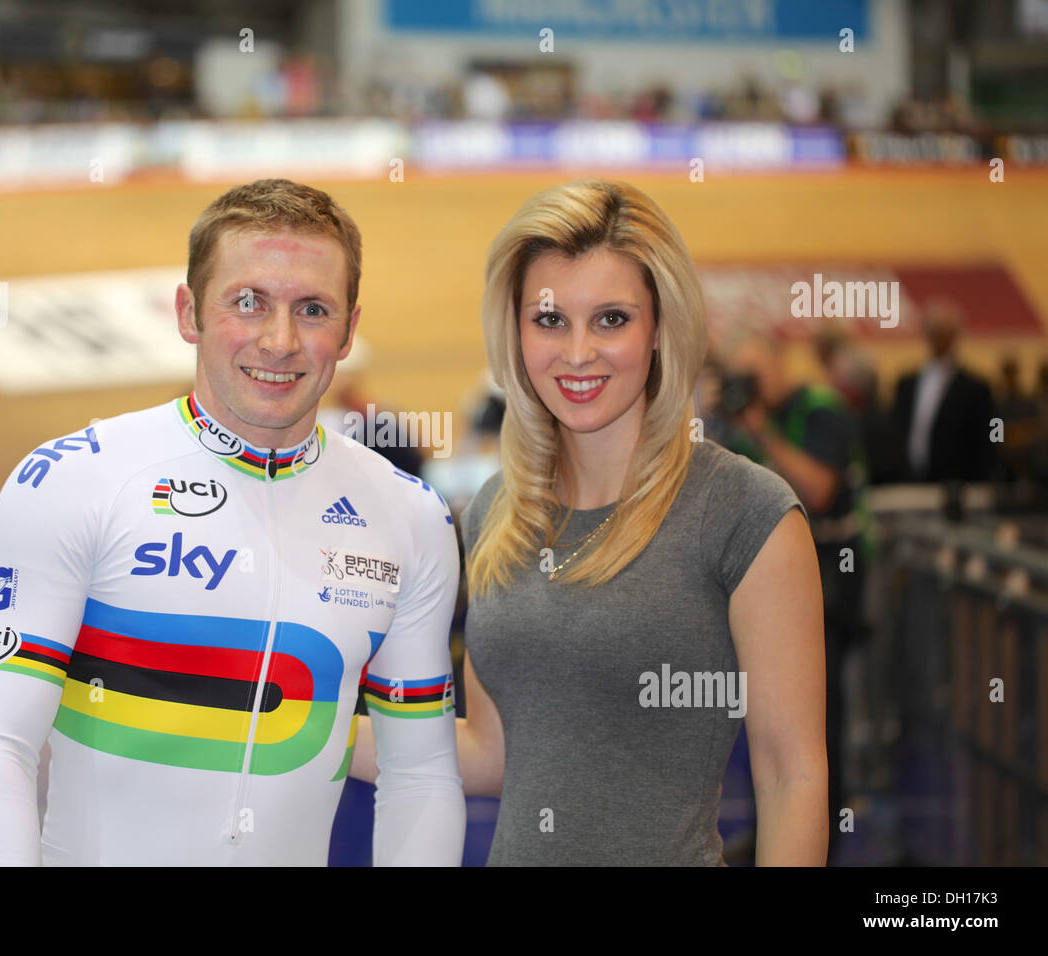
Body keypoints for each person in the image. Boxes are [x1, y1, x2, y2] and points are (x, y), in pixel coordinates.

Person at [0, 178, 465, 865]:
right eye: (248, 302)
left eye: (313, 309)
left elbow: (420, 775)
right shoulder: (73, 480)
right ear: (188, 312)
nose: (280, 340)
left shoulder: (411, 516)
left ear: (348, 330)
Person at [353, 179, 827, 865]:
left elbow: (792, 777)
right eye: (549, 320)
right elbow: (492, 751)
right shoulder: (495, 513)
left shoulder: (745, 511)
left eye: (611, 319)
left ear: (659, 328)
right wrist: (313, 728)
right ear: (516, 332)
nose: (577, 352)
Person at [724, 327, 873, 863]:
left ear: (779, 362)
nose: (748, 385)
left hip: (832, 578)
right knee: (763, 714)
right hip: (768, 583)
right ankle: (769, 832)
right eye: (739, 376)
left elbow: (819, 490)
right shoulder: (744, 422)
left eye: (754, 372)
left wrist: (762, 433)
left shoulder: (820, 410)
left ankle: (822, 841)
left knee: (818, 716)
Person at [890, 301, 996, 484]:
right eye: (935, 332)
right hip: (910, 481)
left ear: (955, 336)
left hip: (957, 483)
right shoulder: (907, 384)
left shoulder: (976, 389)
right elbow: (897, 431)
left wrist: (988, 472)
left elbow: (994, 431)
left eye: (945, 333)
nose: (939, 339)